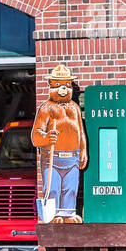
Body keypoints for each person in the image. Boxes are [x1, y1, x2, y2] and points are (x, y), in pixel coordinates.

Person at [30, 64, 88, 224]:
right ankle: (54, 214)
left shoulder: (75, 108)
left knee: (71, 188)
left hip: (73, 157)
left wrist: (83, 151)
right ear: (51, 86)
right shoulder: (46, 108)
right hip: (52, 158)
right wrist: (47, 137)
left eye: (66, 85)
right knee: (53, 188)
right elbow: (36, 136)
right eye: (58, 85)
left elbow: (80, 131)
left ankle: (68, 213)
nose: (63, 89)